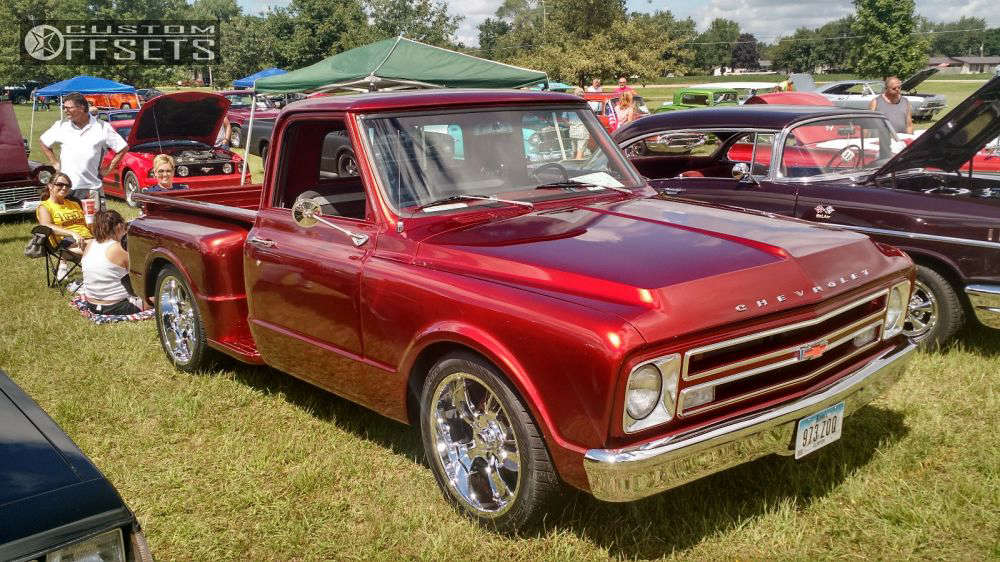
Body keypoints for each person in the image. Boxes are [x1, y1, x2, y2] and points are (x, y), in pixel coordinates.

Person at [38, 92, 129, 205]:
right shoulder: (61, 125)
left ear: (81, 107)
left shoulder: (102, 127)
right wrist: (54, 162)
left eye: (68, 108)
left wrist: (108, 169)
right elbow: (43, 141)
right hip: (66, 188)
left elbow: (123, 147)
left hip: (91, 188)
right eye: (64, 107)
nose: (65, 110)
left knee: (94, 222)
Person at [81, 210, 142, 316]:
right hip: (115, 306)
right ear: (118, 227)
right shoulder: (117, 248)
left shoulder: (91, 244)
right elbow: (138, 274)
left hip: (91, 304)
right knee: (159, 298)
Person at [36, 172, 92, 254]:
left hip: (87, 238)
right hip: (65, 242)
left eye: (67, 186)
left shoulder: (74, 204)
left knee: (111, 244)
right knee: (100, 249)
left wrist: (93, 219)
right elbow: (46, 227)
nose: (64, 188)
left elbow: (87, 225)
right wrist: (72, 233)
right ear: (50, 186)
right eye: (60, 184)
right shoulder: (44, 207)